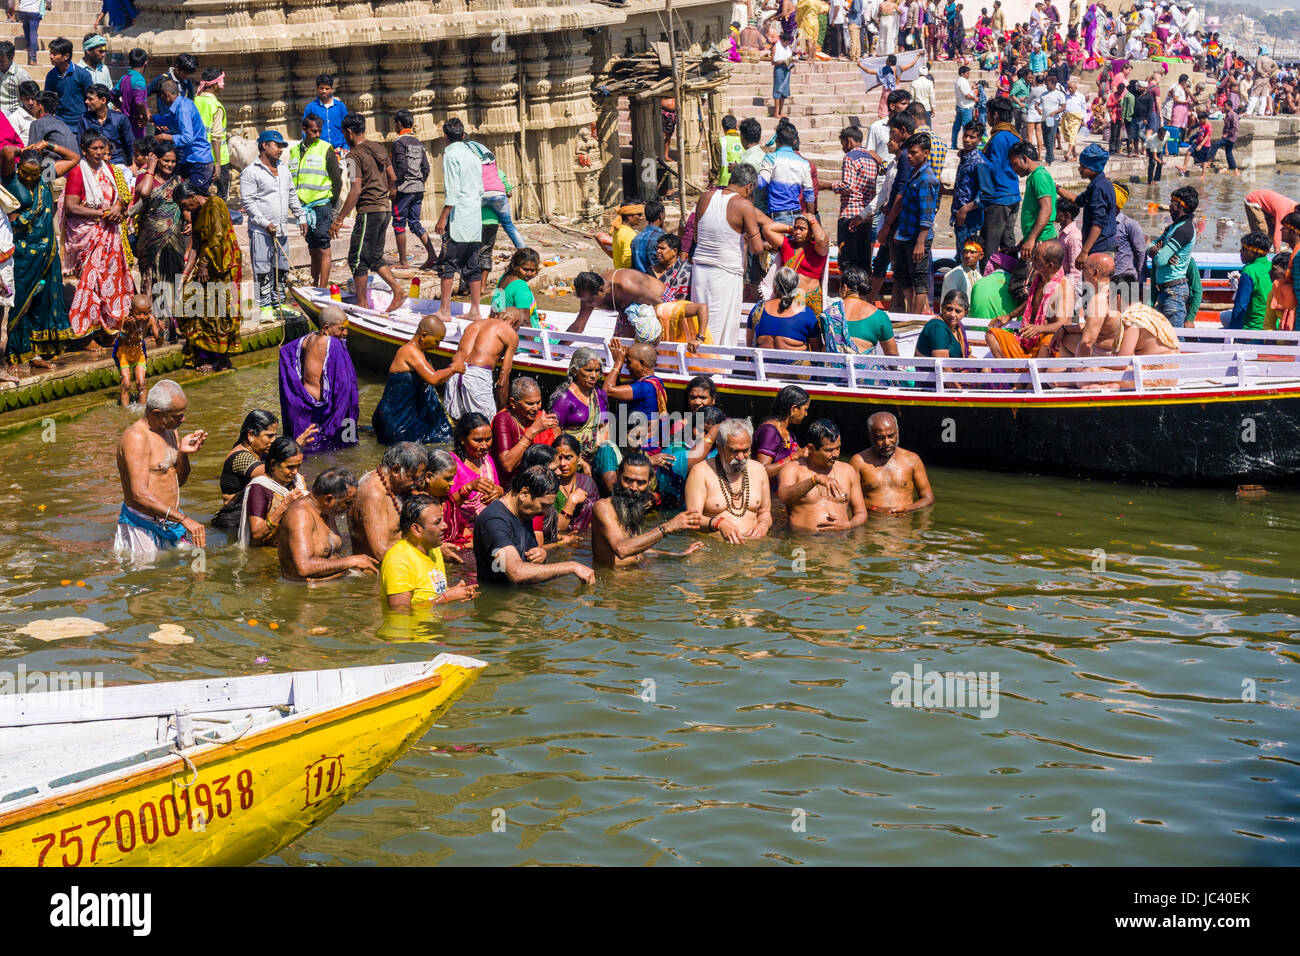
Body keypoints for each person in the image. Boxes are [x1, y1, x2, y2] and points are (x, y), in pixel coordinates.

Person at [114, 380, 208, 557]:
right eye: (178, 415)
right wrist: (185, 519)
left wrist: (182, 454)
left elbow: (179, 481)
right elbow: (138, 494)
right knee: (150, 580)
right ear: (157, 413)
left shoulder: (171, 431)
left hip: (172, 521)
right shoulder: (136, 437)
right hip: (143, 525)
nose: (183, 419)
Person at [2, 144, 75, 370]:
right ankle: (14, 354)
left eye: (35, 173)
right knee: (19, 305)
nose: (31, 178)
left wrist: (47, 146)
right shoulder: (10, 178)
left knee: (41, 304)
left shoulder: (45, 176)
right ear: (18, 167)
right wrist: (21, 150)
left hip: (46, 254)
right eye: (26, 172)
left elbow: (74, 158)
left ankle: (35, 354)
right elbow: (4, 152)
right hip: (22, 255)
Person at [63, 131, 134, 341]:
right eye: (95, 148)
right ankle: (88, 335)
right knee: (91, 284)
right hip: (88, 235)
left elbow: (124, 195)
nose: (100, 152)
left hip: (111, 234)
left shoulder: (111, 170)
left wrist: (118, 205)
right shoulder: (77, 172)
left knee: (111, 283)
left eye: (102, 148)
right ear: (84, 151)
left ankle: (109, 329)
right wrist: (104, 213)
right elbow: (70, 207)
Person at [474, 465, 593, 586]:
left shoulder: (524, 512)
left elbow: (525, 557)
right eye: (543, 505)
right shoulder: (494, 520)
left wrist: (541, 553)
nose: (546, 512)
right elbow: (516, 572)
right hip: (500, 601)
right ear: (524, 493)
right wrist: (571, 566)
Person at [330, 112, 402, 312]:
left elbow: (355, 190)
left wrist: (339, 219)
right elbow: (393, 177)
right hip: (384, 209)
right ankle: (398, 291)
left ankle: (364, 302)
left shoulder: (353, 156)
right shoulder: (378, 147)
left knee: (356, 258)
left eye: (345, 134)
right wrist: (390, 192)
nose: (345, 138)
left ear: (349, 132)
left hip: (369, 211)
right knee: (374, 257)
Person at [591, 453, 704, 568]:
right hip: (615, 582)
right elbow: (622, 549)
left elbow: (638, 549)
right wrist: (667, 527)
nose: (634, 488)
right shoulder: (603, 507)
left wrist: (679, 555)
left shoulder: (633, 507)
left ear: (649, 481)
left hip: (636, 577)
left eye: (641, 482)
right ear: (618, 475)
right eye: (628, 480)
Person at [179, 180, 243, 370]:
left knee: (220, 311)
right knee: (191, 302)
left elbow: (218, 236)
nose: (184, 210)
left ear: (192, 197)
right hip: (206, 266)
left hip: (223, 264)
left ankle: (221, 360)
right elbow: (196, 246)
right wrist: (185, 273)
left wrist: (204, 264)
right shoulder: (196, 211)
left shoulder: (215, 203)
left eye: (184, 205)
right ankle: (205, 353)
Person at [278, 306, 360, 453]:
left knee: (304, 452)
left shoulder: (308, 338)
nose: (345, 333)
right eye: (341, 329)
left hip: (303, 404)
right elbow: (344, 384)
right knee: (330, 451)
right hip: (321, 411)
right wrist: (343, 411)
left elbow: (286, 350)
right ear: (326, 327)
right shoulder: (333, 344)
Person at [242, 129, 305, 321]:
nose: (280, 150)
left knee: (281, 269)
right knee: (263, 269)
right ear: (264, 146)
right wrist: (264, 223)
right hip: (262, 231)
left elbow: (292, 194)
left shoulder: (283, 169)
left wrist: (301, 215)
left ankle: (279, 304)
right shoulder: (251, 172)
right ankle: (265, 307)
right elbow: (248, 202)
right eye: (277, 145)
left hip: (281, 229)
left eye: (282, 146)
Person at [372, 315, 462, 445]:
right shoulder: (409, 351)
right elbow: (433, 378)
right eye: (436, 341)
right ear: (423, 335)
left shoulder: (419, 354)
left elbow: (434, 378)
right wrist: (453, 369)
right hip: (396, 419)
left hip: (406, 418)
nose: (438, 345)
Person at [279, 467, 376, 582]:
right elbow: (304, 567)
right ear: (328, 499)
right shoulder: (300, 515)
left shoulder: (327, 510)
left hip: (332, 587)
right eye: (348, 502)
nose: (350, 508)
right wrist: (352, 561)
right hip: (307, 594)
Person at [381, 495, 478, 609]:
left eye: (442, 519)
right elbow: (400, 615)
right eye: (437, 522)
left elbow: (429, 595)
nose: (445, 526)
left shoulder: (434, 550)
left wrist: (456, 592)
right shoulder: (398, 561)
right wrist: (446, 598)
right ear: (416, 530)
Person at [684, 417, 772, 543]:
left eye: (745, 450)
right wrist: (718, 523)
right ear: (720, 448)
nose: (741, 457)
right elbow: (691, 519)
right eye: (734, 451)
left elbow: (765, 513)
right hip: (715, 550)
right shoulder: (700, 472)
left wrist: (763, 525)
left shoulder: (759, 470)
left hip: (753, 550)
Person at [985, 240, 1072, 359]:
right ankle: (1014, 375)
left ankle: (1027, 374)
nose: (1031, 260)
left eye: (1036, 259)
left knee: (1048, 341)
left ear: (1050, 265)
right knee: (992, 335)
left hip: (1046, 341)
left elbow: (1062, 324)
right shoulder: (1037, 276)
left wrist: (1038, 329)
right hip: (1027, 339)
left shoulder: (1064, 286)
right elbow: (1031, 302)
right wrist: (1009, 316)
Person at [777, 418, 868, 532]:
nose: (836, 454)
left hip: (839, 543)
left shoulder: (848, 471)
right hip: (803, 542)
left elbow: (861, 513)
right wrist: (815, 480)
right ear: (811, 448)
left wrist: (849, 525)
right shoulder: (792, 469)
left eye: (838, 448)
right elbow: (783, 496)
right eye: (829, 450)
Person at [433, 116, 484, 322]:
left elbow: (452, 191)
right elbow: (480, 188)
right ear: (462, 135)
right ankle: (475, 310)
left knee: (448, 264)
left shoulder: (450, 154)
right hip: (474, 215)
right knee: (473, 265)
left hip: (458, 218)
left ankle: (444, 310)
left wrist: (442, 217)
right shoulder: (473, 154)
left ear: (445, 137)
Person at [348, 441, 428, 561]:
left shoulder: (397, 487)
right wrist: (426, 548)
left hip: (400, 562)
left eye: (420, 478)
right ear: (395, 470)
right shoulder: (373, 493)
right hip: (374, 575)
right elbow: (380, 553)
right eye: (413, 478)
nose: (417, 483)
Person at [444, 307, 527, 420]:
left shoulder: (474, 325)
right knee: (486, 427)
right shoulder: (510, 333)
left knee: (459, 427)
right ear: (515, 322)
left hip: (453, 372)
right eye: (517, 328)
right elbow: (502, 382)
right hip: (478, 375)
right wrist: (501, 412)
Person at [288, 113, 342, 288]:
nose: (317, 134)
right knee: (312, 248)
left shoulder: (325, 148)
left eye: (319, 131)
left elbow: (337, 181)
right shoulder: (294, 151)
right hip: (303, 208)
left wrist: (330, 205)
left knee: (323, 246)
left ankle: (322, 288)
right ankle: (314, 284)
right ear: (304, 130)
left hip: (321, 205)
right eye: (313, 131)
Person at [849, 411, 934, 514]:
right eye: (880, 438)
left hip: (903, 525)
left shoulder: (912, 459)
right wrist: (876, 509)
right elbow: (849, 501)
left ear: (897, 432)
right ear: (870, 436)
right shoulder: (859, 462)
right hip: (873, 525)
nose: (887, 442)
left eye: (891, 436)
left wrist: (906, 509)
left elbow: (928, 498)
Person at [892, 131, 939, 314]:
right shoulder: (915, 173)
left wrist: (920, 242)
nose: (909, 156)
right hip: (906, 234)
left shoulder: (927, 179)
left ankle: (915, 317)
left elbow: (927, 215)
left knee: (919, 280)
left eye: (914, 152)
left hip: (918, 238)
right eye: (908, 153)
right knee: (902, 276)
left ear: (926, 153)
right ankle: (914, 311)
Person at [236, 436, 307, 548]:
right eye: (290, 467)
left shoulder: (298, 481)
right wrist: (284, 505)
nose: (295, 472)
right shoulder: (259, 488)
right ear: (273, 464)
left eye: (298, 466)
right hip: (267, 554)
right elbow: (256, 534)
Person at [1056, 143, 1115, 272]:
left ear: (1093, 168)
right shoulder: (1096, 185)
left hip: (1100, 248)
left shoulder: (1099, 188)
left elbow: (1097, 223)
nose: (1079, 169)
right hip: (1098, 247)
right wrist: (1057, 188)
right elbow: (1076, 200)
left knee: (1096, 288)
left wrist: (1084, 251)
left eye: (1083, 166)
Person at [389, 108, 435, 268]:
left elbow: (401, 167)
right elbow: (426, 168)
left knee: (399, 223)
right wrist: (419, 182)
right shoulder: (418, 142)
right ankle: (432, 255)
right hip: (418, 188)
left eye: (395, 123)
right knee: (415, 223)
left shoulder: (398, 142)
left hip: (404, 189)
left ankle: (403, 261)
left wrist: (394, 186)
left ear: (399, 124)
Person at [491, 376, 559, 484]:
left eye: (538, 402)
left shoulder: (540, 418)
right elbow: (507, 465)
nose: (536, 408)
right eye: (530, 403)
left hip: (536, 482)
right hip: (508, 485)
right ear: (513, 402)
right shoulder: (503, 419)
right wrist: (533, 431)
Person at [831, 125, 878, 275]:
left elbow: (848, 186)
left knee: (847, 261)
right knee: (864, 261)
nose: (843, 148)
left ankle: (849, 293)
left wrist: (828, 185)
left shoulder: (850, 157)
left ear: (849, 141)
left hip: (850, 215)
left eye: (843, 144)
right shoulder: (872, 158)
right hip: (866, 216)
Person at [152, 79, 214, 192]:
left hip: (198, 161)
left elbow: (187, 138)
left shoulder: (183, 109)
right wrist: (150, 118)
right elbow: (169, 120)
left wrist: (163, 137)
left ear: (165, 94)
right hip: (189, 160)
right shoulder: (181, 105)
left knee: (194, 200)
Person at [1148, 186, 1197, 328]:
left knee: (1175, 338)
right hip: (1165, 290)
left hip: (1174, 292)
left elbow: (1159, 260)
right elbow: (1150, 247)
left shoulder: (1184, 229)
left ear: (1180, 205)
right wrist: (1159, 251)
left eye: (1172, 203)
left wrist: (1159, 252)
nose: (1169, 206)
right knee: (1163, 336)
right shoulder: (1172, 228)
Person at [550, 346, 610, 462]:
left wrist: (601, 456)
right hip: (569, 460)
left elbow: (604, 428)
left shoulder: (600, 395)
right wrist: (577, 460)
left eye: (597, 371)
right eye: (588, 370)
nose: (593, 375)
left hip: (595, 457)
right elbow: (554, 432)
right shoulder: (564, 397)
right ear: (574, 371)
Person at [568, 268, 667, 337]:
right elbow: (578, 327)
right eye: (584, 301)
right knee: (617, 346)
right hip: (628, 311)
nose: (587, 305)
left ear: (601, 291)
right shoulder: (587, 296)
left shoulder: (625, 286)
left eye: (590, 301)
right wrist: (558, 351)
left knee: (646, 339)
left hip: (659, 301)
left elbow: (662, 306)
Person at [981, 98, 1021, 262]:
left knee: (989, 246)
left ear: (995, 115)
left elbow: (994, 168)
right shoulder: (1014, 135)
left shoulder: (998, 138)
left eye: (988, 114)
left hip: (999, 197)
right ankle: (1010, 280)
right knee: (1008, 242)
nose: (987, 118)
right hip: (1013, 195)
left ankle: (986, 281)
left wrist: (977, 158)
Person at [749, 266, 822, 351]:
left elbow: (749, 349)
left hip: (761, 363)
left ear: (774, 285)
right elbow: (817, 351)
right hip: (795, 364)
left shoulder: (758, 309)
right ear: (796, 288)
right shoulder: (807, 314)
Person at [193, 68, 234, 216]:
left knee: (199, 194)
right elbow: (216, 137)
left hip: (198, 156)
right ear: (215, 84)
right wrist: (217, 163)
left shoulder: (195, 101)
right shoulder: (216, 106)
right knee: (221, 198)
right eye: (222, 80)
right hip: (218, 159)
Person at [1010, 140, 1057, 264]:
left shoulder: (1039, 176)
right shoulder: (1034, 176)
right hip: (1036, 239)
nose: (1013, 169)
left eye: (1014, 164)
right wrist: (1024, 241)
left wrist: (1031, 239)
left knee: (1024, 281)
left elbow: (1046, 209)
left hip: (1041, 241)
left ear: (1025, 159)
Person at [753, 383, 811, 485]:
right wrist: (792, 458)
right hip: (767, 494)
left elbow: (799, 452)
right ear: (793, 409)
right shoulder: (770, 431)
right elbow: (761, 471)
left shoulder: (788, 432)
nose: (806, 414)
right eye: (805, 409)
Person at [949, 119, 990, 249]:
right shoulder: (965, 157)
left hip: (970, 218)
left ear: (979, 140)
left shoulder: (979, 163)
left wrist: (965, 209)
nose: (967, 140)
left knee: (968, 255)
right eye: (965, 136)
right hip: (959, 217)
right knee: (961, 254)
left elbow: (987, 194)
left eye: (972, 137)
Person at [1220, 232, 1272, 331]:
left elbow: (1240, 305)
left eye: (1244, 249)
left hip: (1254, 326)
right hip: (1272, 324)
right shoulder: (1271, 266)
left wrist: (1233, 332)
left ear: (1256, 253)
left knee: (1223, 317)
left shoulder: (1249, 270)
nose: (1240, 251)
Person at [551, 434, 599, 535]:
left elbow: (594, 520)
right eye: (559, 458)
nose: (562, 463)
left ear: (579, 457)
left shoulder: (587, 482)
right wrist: (571, 502)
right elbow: (556, 530)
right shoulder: (548, 485)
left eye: (568, 457)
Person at [76, 83, 132, 165]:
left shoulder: (120, 118)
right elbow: (79, 144)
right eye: (86, 98)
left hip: (116, 163)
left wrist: (132, 164)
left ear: (103, 100)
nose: (86, 101)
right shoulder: (84, 118)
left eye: (90, 99)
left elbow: (130, 144)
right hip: (91, 163)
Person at [112, 293, 151, 407]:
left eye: (145, 313)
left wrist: (161, 333)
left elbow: (159, 342)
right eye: (138, 313)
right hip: (123, 352)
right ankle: (125, 413)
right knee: (126, 383)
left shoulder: (150, 320)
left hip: (138, 352)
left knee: (141, 383)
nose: (142, 317)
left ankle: (143, 411)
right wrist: (124, 330)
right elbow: (120, 340)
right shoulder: (126, 318)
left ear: (150, 312)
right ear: (131, 310)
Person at [44, 37, 92, 127]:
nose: (51, 56)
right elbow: (48, 100)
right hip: (60, 123)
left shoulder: (83, 74)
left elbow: (91, 98)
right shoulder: (51, 76)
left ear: (66, 56)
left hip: (79, 123)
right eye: (50, 53)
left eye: (54, 54)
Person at [491, 247, 543, 328]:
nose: (529, 274)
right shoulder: (521, 287)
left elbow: (495, 310)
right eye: (525, 269)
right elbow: (524, 322)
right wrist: (533, 341)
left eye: (533, 270)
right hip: (519, 335)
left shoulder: (504, 278)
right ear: (515, 266)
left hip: (502, 329)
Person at [916, 288, 971, 358]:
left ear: (965, 312)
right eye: (949, 309)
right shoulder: (938, 327)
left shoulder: (958, 326)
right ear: (941, 307)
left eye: (958, 311)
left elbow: (966, 356)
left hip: (956, 367)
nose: (952, 314)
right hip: (934, 368)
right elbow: (943, 366)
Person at [302, 74, 347, 151]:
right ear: (317, 88)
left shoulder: (340, 107)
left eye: (327, 88)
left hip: (339, 150)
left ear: (331, 89)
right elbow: (304, 130)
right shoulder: (311, 108)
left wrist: (346, 147)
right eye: (321, 88)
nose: (324, 91)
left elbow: (347, 128)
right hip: (318, 150)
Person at [1206, 103, 1238, 176]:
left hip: (1230, 137)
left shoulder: (1233, 115)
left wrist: (1226, 134)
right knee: (1228, 153)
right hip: (1228, 137)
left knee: (1215, 145)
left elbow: (1235, 128)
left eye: (1225, 106)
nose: (1224, 108)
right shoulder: (1228, 114)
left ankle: (1210, 161)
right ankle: (1234, 169)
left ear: (1230, 106)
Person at [770, 29, 794, 119]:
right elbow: (773, 62)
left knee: (784, 91)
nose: (787, 45)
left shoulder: (788, 48)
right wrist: (783, 61)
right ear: (782, 41)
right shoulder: (775, 47)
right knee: (778, 91)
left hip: (787, 70)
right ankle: (776, 113)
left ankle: (781, 111)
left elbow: (790, 59)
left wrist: (792, 61)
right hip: (779, 69)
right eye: (786, 43)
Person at [14, 0, 44, 68]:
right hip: (33, 10)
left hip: (22, 9)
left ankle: (28, 45)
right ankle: (33, 59)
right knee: (33, 34)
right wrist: (49, 5)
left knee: (26, 27)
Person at [717, 113, 744, 186]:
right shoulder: (744, 140)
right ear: (736, 126)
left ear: (723, 128)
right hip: (742, 182)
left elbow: (716, 165)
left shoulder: (721, 141)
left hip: (725, 182)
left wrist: (711, 181)